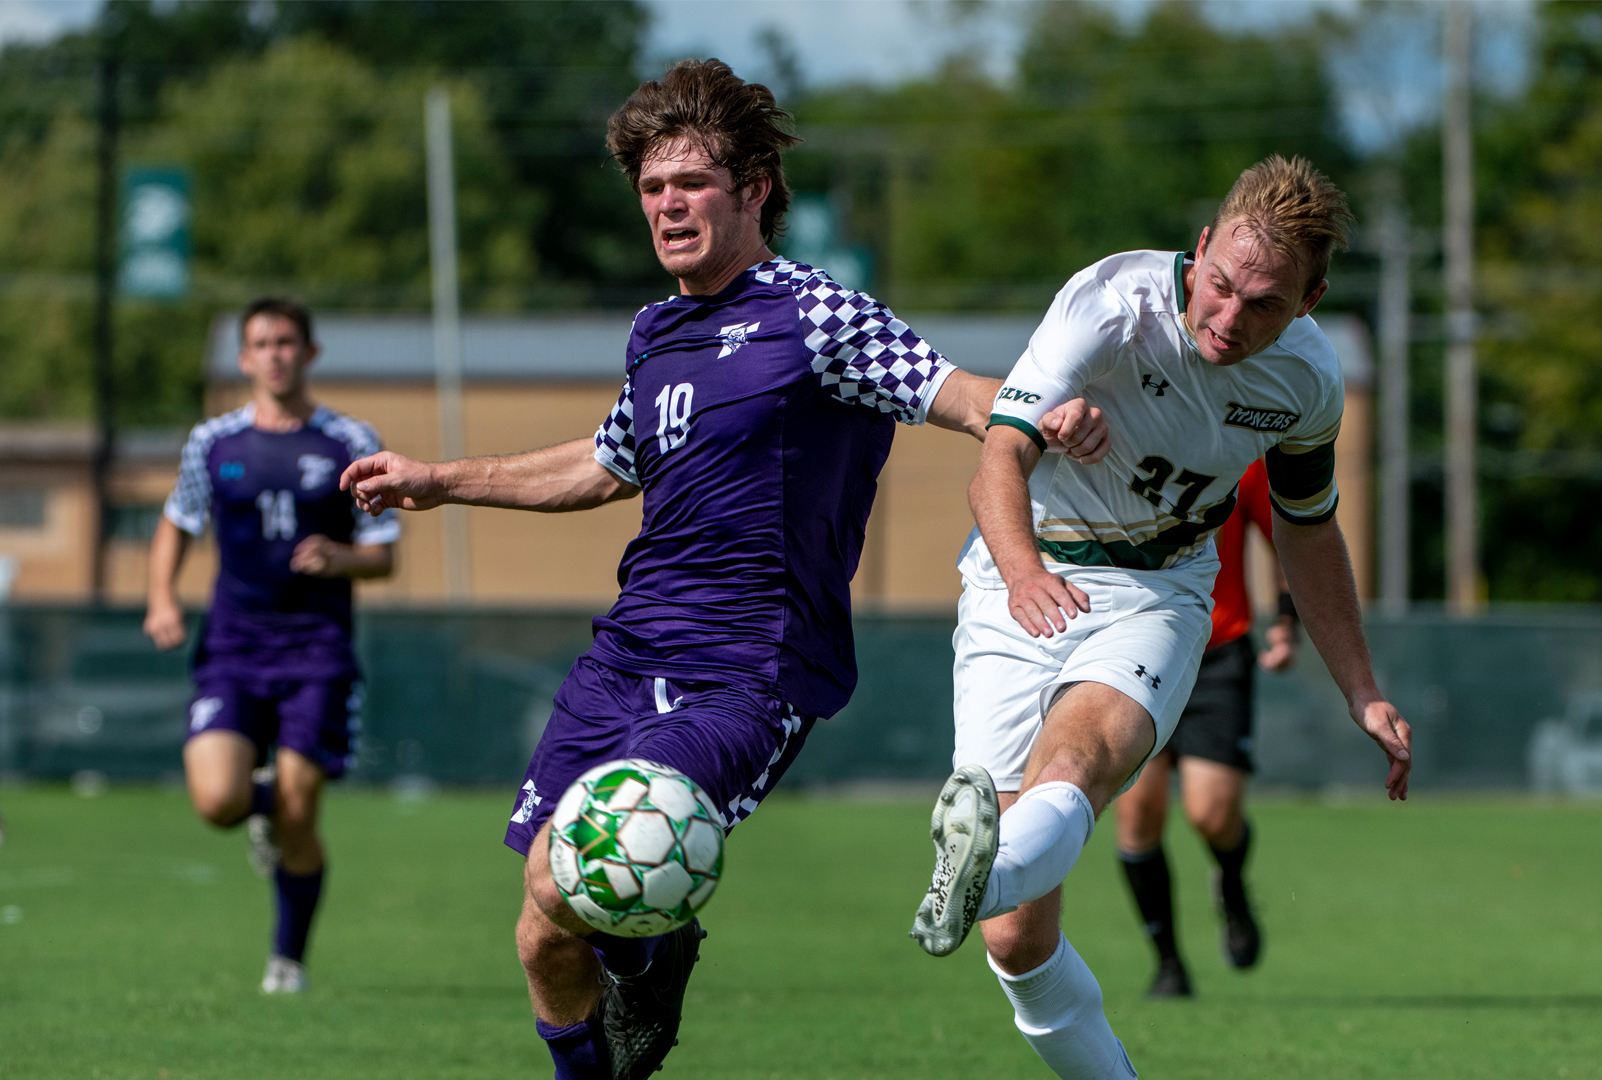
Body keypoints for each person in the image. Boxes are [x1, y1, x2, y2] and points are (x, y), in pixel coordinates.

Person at [338, 59, 1107, 1080]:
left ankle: (650, 952)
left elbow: (955, 392)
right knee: (540, 921)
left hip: (749, 669)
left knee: (582, 882)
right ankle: (645, 965)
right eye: (652, 187)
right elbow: (602, 463)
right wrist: (440, 479)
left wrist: (1042, 413)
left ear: (753, 191)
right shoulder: (655, 332)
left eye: (692, 183)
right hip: (623, 656)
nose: (668, 205)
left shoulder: (819, 317)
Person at [910, 155, 1413, 1080]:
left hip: (1159, 591)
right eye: (1221, 284)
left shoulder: (1308, 381)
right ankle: (990, 881)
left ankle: (977, 867)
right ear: (1202, 246)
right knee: (1016, 938)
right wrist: (1022, 574)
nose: (1229, 318)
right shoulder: (1109, 302)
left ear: (1309, 301)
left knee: (1077, 762)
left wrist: (1361, 687)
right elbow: (998, 459)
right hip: (1020, 575)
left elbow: (1307, 530)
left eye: (1264, 304)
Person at [144, 297, 399, 994]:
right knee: (217, 801)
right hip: (232, 649)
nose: (275, 355)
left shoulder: (349, 440)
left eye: (286, 342)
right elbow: (177, 521)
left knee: (299, 813)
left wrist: (340, 558)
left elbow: (383, 556)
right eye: (261, 344)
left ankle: (287, 959)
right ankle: (261, 809)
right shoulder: (213, 441)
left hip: (316, 654)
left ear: (309, 353)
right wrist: (161, 597)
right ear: (243, 358)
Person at [1110, 457, 1297, 998]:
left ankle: (1232, 886)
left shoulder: (1240, 452)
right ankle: (1168, 963)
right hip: (1132, 650)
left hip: (1218, 652)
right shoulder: (1116, 444)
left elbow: (1288, 536)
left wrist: (1286, 623)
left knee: (1210, 814)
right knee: (1138, 814)